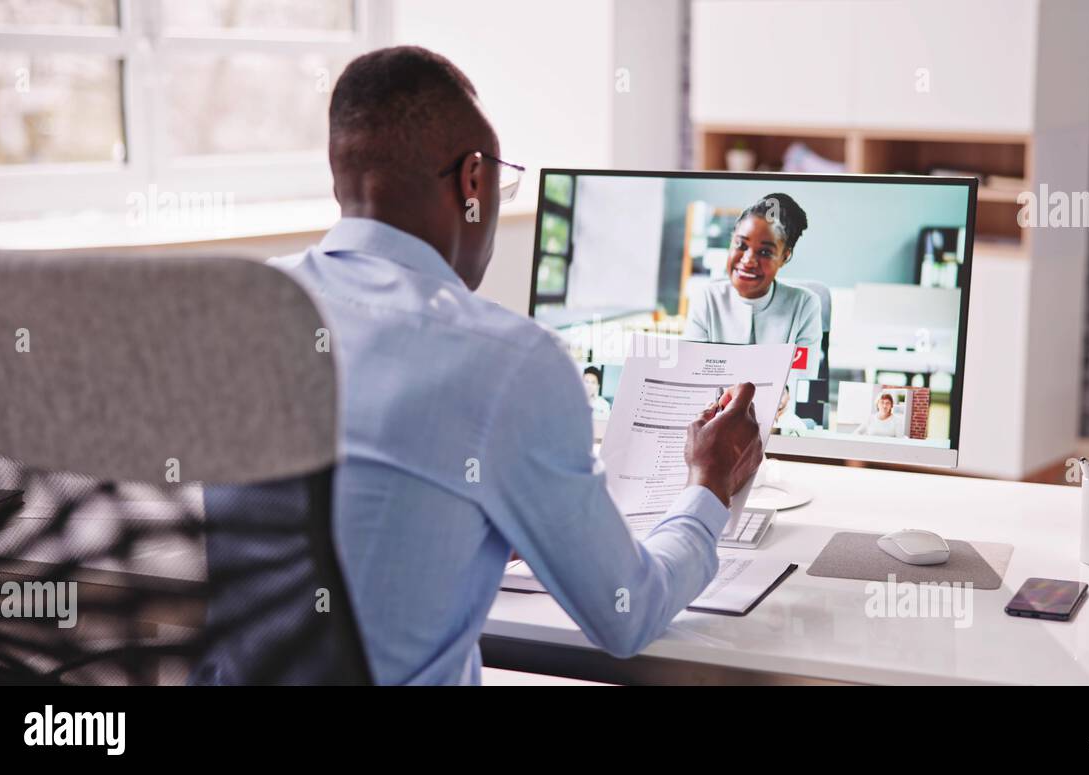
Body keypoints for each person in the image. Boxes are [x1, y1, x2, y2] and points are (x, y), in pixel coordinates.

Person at [269, 47, 763, 685]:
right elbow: (627, 614)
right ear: (473, 182)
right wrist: (710, 481)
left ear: (342, 178)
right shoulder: (505, 361)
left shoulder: (236, 310)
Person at [683, 193, 823, 378]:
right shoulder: (707, 299)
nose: (748, 261)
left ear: (785, 256)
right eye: (741, 245)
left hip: (779, 408)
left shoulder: (804, 304)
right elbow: (691, 373)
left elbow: (801, 379)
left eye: (765, 252)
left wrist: (785, 393)